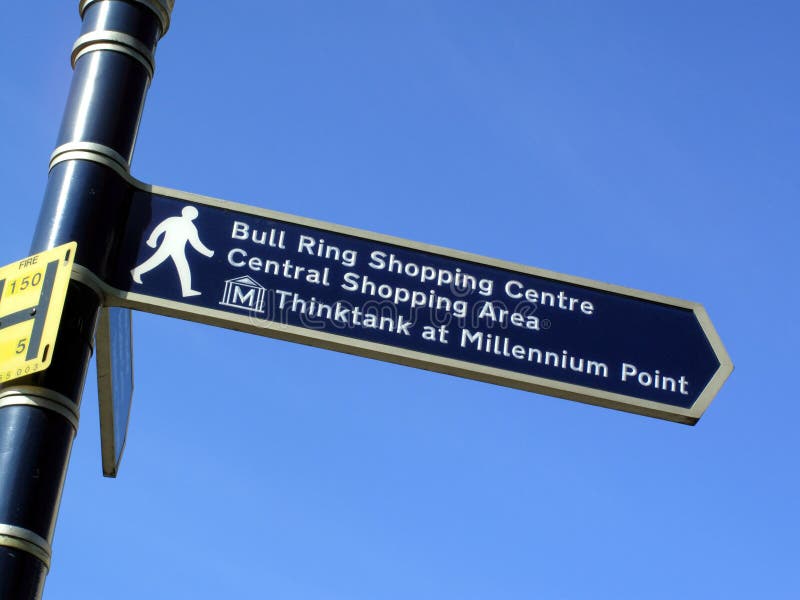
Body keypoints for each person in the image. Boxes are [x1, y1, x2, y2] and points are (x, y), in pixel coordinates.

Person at [131, 206, 214, 297]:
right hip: (168, 246)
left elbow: (196, 243)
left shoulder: (189, 226)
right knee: (160, 262)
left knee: (180, 266)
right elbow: (159, 229)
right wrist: (152, 240)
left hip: (177, 249)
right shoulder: (181, 223)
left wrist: (207, 252)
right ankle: (137, 271)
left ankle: (186, 290)